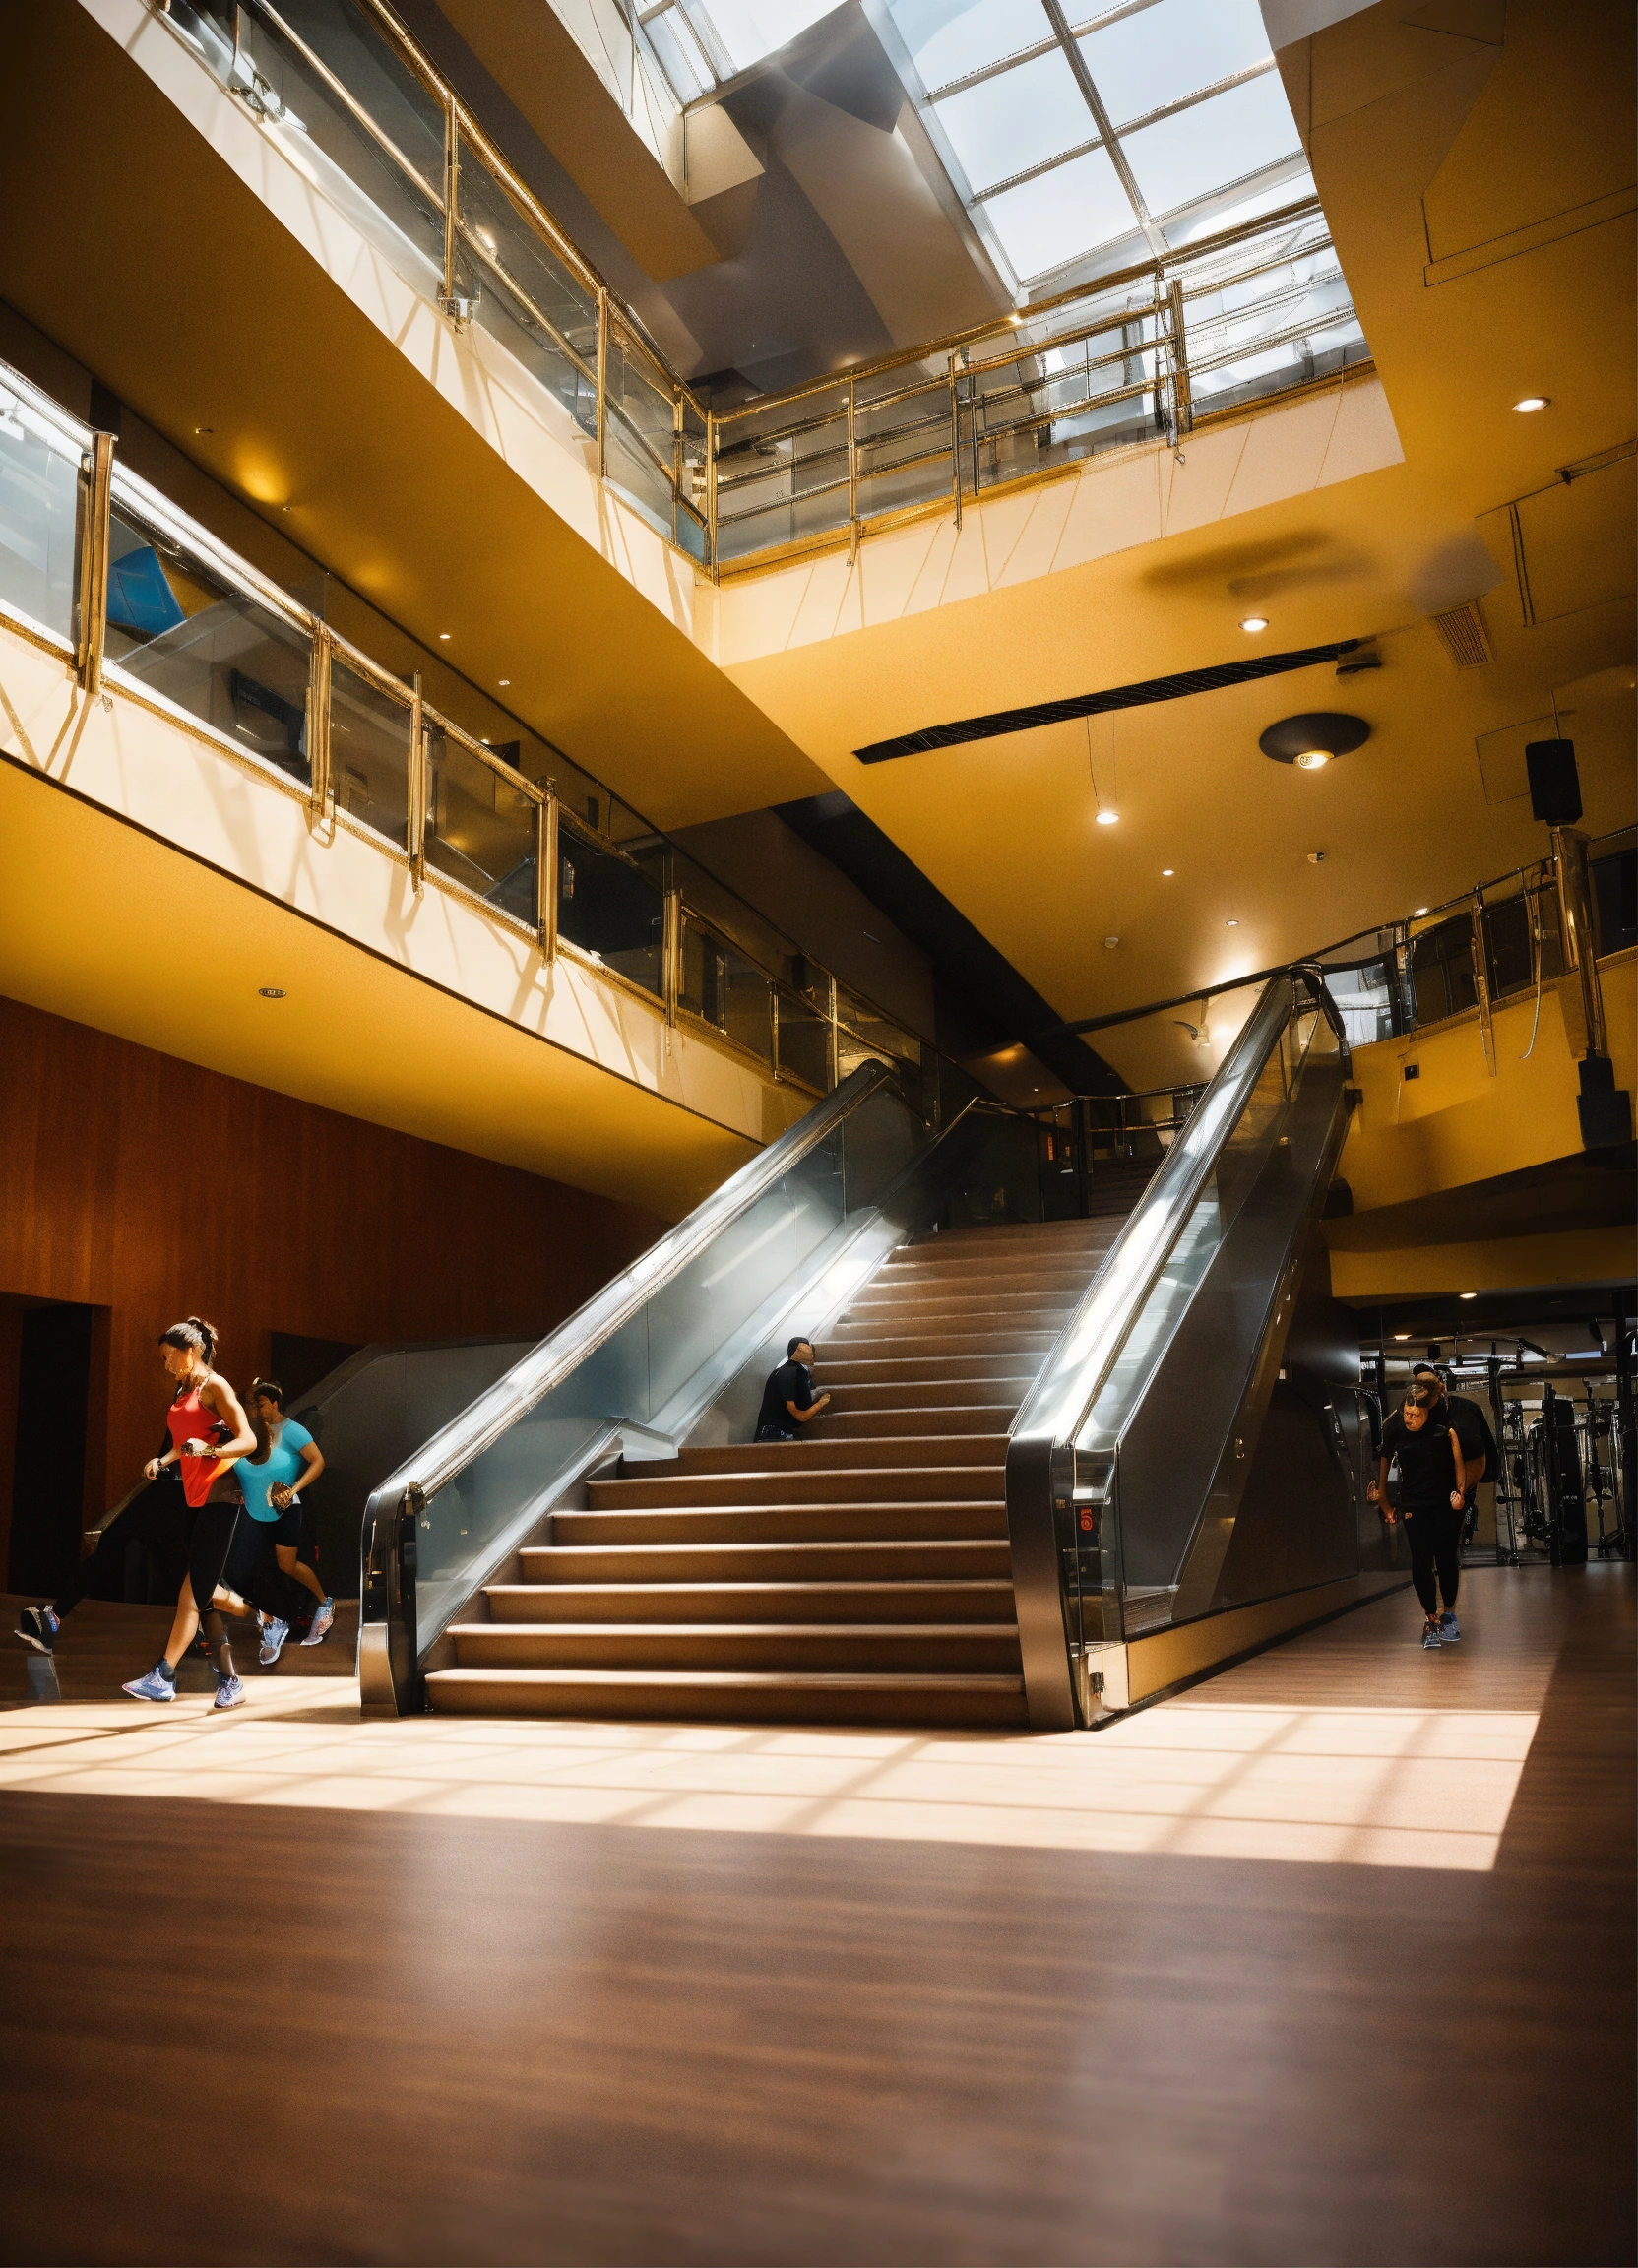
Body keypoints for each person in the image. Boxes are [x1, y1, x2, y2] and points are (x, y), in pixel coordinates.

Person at [119, 1318, 258, 1708]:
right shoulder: (184, 1389)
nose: (165, 1365)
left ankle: (163, 1673)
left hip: (222, 1494)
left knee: (193, 1594)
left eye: (168, 1357)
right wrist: (163, 1459)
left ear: (190, 1351)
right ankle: (236, 1671)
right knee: (205, 1593)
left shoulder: (216, 1386)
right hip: (194, 1496)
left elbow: (247, 1439)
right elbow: (187, 1442)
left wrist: (211, 1451)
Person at [16, 1454, 188, 1654]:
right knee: (118, 1545)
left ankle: (204, 1633)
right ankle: (53, 1618)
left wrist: (166, 1460)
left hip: (189, 1490)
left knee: (184, 1564)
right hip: (173, 1486)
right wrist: (163, 1462)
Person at [229, 1379, 334, 1660]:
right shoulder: (250, 1434)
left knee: (286, 1565)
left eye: (261, 1404)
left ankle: (324, 1603)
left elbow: (318, 1461)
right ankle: (271, 1623)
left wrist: (293, 1489)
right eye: (253, 1405)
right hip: (251, 1510)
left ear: (274, 1403)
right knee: (246, 1568)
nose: (257, 1409)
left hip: (283, 1508)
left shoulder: (291, 1430)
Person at [1368, 1383, 1467, 1648]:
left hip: (1445, 1504)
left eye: (1415, 1415)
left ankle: (1448, 1615)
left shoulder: (1444, 1432)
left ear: (1427, 1412)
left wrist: (1460, 1495)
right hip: (1414, 1504)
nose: (1410, 1419)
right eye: (1407, 1413)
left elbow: (1459, 1465)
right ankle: (1430, 1618)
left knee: (1445, 1557)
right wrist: (1385, 1503)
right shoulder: (1396, 1431)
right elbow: (1384, 1462)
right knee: (1421, 1560)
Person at [755, 1337, 830, 1443]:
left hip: (771, 1432)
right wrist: (821, 1403)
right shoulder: (792, 1374)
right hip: (773, 1435)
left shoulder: (786, 1372)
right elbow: (801, 1416)